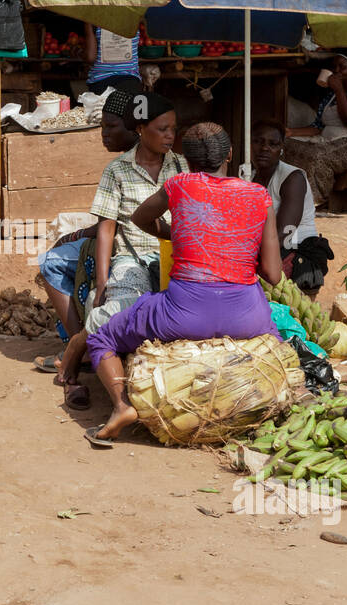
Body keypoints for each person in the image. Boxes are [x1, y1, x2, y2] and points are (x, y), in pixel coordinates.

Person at [83, 122, 283, 446]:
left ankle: (121, 407)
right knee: (281, 343)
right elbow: (273, 275)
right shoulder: (259, 196)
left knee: (102, 338)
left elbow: (138, 219)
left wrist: (175, 234)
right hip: (248, 315)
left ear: (186, 161)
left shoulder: (179, 184)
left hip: (182, 313)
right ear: (229, 155)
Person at [56, 92, 187, 408]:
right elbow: (106, 228)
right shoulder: (117, 170)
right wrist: (102, 282)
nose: (170, 135)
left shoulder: (180, 165)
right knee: (122, 307)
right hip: (131, 259)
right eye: (162, 129)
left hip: (172, 256)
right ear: (141, 129)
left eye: (173, 129)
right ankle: (80, 348)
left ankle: (80, 345)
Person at [33, 92, 140, 374]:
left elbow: (109, 226)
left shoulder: (119, 167)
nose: (103, 134)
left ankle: (78, 345)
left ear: (133, 127)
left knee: (51, 262)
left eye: (111, 127)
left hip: (125, 248)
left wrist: (73, 236)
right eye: (102, 126)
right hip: (121, 240)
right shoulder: (135, 160)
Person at [283, 52, 347, 206]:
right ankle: (291, 193)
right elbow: (318, 127)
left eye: (342, 67)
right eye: (334, 67)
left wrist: (339, 90)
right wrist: (291, 132)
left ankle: (317, 200)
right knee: (285, 145)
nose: (337, 71)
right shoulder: (331, 95)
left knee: (317, 156)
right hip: (330, 140)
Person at [250, 121, 335, 290]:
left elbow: (284, 232)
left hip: (296, 246)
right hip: (269, 244)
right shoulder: (249, 175)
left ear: (281, 148)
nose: (265, 148)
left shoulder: (292, 178)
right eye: (258, 142)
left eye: (272, 144)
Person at [85, 24, 142, 94]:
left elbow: (90, 58)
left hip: (101, 82)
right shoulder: (135, 20)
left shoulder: (94, 21)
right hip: (130, 81)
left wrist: (87, 25)